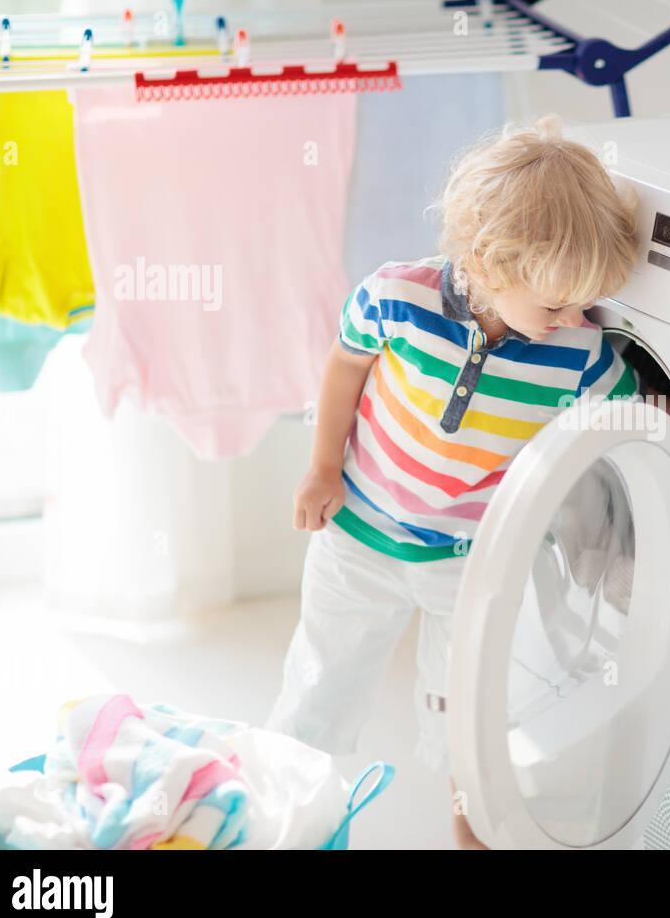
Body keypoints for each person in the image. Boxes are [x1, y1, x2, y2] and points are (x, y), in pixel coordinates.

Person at [266, 114, 640, 849]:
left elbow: (647, 420)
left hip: (471, 563)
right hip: (359, 535)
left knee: (466, 709)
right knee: (321, 677)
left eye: (584, 304)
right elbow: (345, 368)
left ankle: (469, 832)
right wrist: (320, 467)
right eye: (558, 304)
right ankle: (282, 810)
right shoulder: (395, 297)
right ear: (487, 264)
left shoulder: (581, 355)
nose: (575, 318)